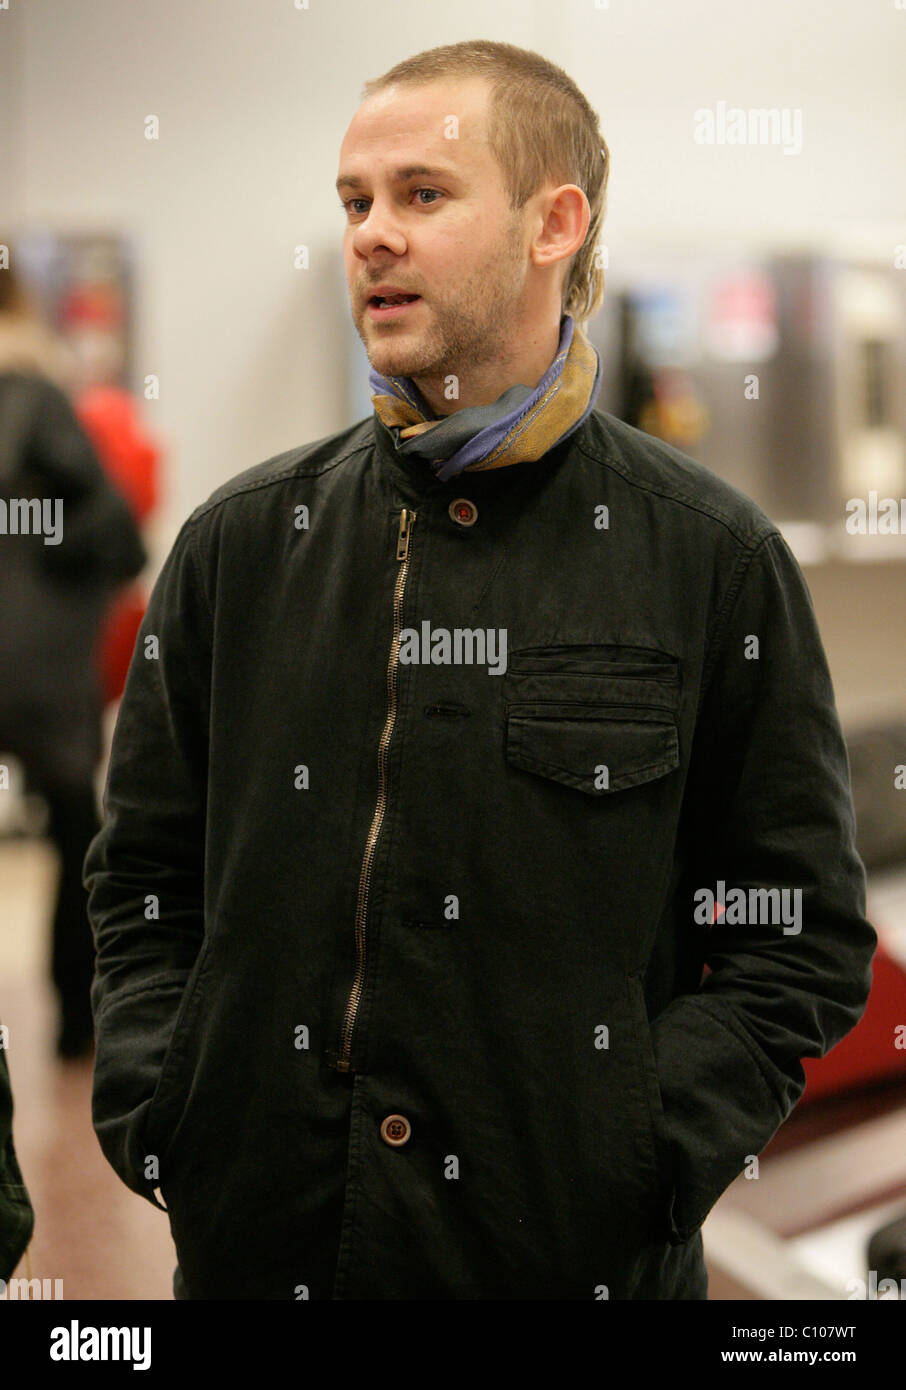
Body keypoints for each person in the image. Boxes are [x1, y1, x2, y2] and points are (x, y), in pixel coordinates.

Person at [85, 40, 876, 1300]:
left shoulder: (708, 557)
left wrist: (642, 1147)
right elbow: (143, 877)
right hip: (267, 1251)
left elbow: (797, 929)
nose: (370, 236)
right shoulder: (241, 544)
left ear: (554, 222)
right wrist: (165, 1104)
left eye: (422, 194)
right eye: (354, 202)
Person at [0, 253, 147, 1058]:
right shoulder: (42, 399)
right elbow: (118, 538)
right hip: (43, 672)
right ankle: (78, 1025)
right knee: (73, 829)